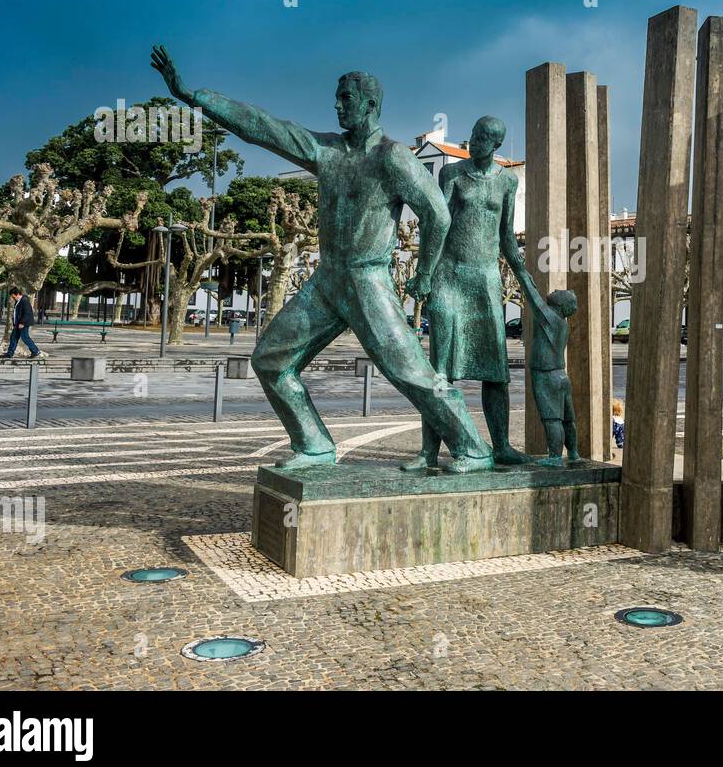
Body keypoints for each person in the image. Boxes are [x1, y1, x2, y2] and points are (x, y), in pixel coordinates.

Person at [150, 44, 494, 473]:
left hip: (368, 281)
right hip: (328, 281)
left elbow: (437, 215)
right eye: (336, 98)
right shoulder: (324, 151)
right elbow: (262, 127)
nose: (336, 106)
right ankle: (313, 444)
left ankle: (474, 449)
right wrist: (192, 95)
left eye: (345, 99)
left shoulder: (393, 156)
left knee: (410, 374)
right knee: (271, 361)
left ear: (370, 105)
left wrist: (423, 275)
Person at [407, 116, 527, 469]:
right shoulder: (451, 175)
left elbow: (507, 237)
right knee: (439, 372)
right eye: (473, 136)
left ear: (496, 145)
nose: (473, 142)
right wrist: (424, 273)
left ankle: (502, 445)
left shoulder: (508, 182)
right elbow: (438, 223)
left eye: (481, 138)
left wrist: (525, 279)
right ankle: (428, 451)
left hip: (486, 280)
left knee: (495, 372)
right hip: (450, 275)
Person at [516, 275, 579, 465]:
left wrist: (520, 269)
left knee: (552, 419)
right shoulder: (561, 323)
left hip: (546, 375)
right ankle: (573, 453)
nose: (555, 291)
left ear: (560, 304)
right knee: (567, 419)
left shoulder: (550, 317)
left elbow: (531, 294)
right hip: (560, 375)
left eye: (560, 293)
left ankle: (555, 457)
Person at [3, 289, 41, 359]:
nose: (13, 298)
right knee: (13, 338)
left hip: (23, 324)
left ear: (17, 294)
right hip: (18, 323)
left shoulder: (24, 300)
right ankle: (10, 353)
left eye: (13, 296)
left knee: (25, 338)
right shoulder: (18, 301)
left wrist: (22, 323)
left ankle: (35, 351)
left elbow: (26, 313)